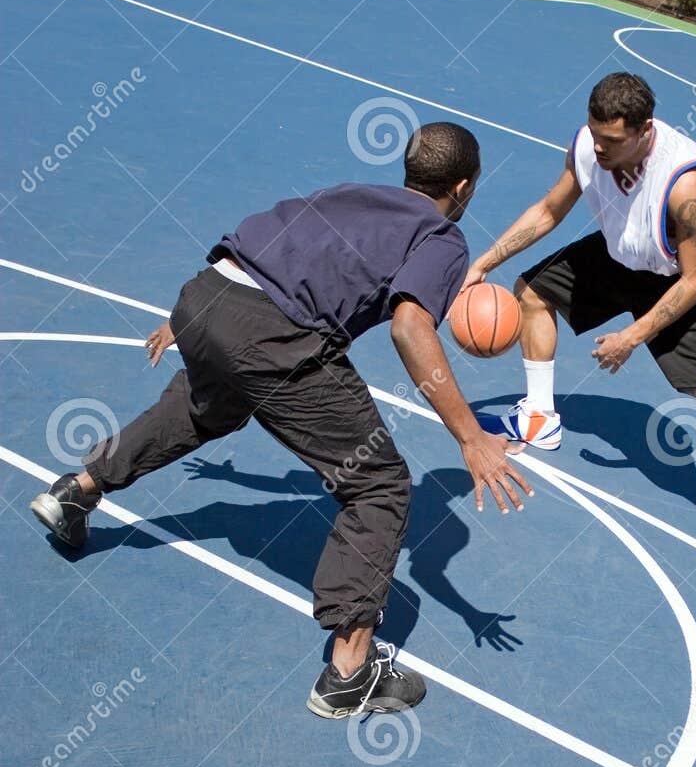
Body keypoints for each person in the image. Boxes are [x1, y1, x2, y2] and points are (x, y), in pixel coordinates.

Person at [29, 122, 532, 718]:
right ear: (465, 185)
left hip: (209, 293)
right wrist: (471, 437)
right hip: (271, 334)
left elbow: (258, 253)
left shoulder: (349, 194)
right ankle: (349, 672)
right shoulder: (443, 236)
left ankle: (77, 492)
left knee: (202, 407)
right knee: (379, 485)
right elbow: (410, 326)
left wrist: (196, 323)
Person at [464, 72, 696, 584]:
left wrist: (633, 337)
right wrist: (485, 262)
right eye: (595, 135)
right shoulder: (589, 146)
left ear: (645, 131)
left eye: (612, 141)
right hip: (622, 257)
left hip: (680, 274)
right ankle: (541, 417)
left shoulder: (684, 184)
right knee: (531, 292)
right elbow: (548, 210)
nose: (600, 148)